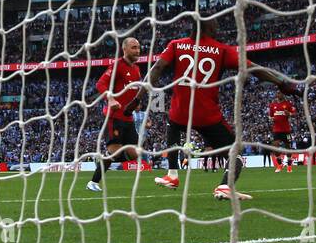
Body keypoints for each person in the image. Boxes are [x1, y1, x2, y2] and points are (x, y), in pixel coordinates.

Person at [147, 16, 298, 200]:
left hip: (180, 112)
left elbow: (158, 67)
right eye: (215, 24)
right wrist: (280, 81)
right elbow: (253, 68)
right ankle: (225, 186)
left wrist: (141, 93)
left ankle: (172, 175)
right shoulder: (221, 50)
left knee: (172, 124)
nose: (218, 27)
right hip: (207, 115)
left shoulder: (177, 44)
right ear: (208, 27)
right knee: (236, 153)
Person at [86, 37, 144, 193]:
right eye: (133, 47)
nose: (137, 50)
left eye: (138, 47)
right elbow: (100, 84)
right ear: (124, 49)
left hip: (128, 118)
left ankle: (105, 158)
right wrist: (110, 99)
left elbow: (135, 90)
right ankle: (93, 182)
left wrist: (137, 103)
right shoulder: (117, 65)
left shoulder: (137, 69)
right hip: (113, 117)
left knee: (134, 153)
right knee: (115, 150)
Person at [268, 91, 297, 172]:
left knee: (288, 147)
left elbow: (294, 114)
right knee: (275, 146)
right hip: (276, 130)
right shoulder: (272, 105)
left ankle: (289, 166)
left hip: (286, 130)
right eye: (277, 93)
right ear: (276, 95)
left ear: (283, 94)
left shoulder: (288, 104)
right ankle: (280, 165)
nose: (279, 94)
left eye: (280, 93)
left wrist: (290, 114)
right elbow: (270, 116)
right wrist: (272, 119)